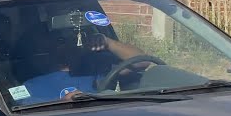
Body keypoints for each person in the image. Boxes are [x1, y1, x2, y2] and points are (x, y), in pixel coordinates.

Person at [20, 24, 148, 103]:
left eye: (76, 39)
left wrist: (108, 42)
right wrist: (60, 104)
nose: (74, 44)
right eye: (61, 40)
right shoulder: (29, 85)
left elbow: (143, 62)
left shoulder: (97, 70)